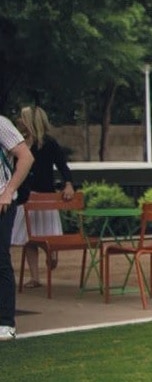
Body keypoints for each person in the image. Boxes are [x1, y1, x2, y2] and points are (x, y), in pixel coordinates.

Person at [10, 106, 78, 289]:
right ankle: (35, 277)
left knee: (47, 236)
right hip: (26, 196)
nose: (18, 121)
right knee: (28, 239)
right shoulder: (20, 143)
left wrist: (68, 184)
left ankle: (51, 253)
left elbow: (63, 166)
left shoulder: (49, 143)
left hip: (45, 196)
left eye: (22, 118)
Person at [0, 113, 36, 342]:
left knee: (0, 260)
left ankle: (5, 322)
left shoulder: (1, 124)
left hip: (1, 202)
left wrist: (8, 191)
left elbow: (26, 157)